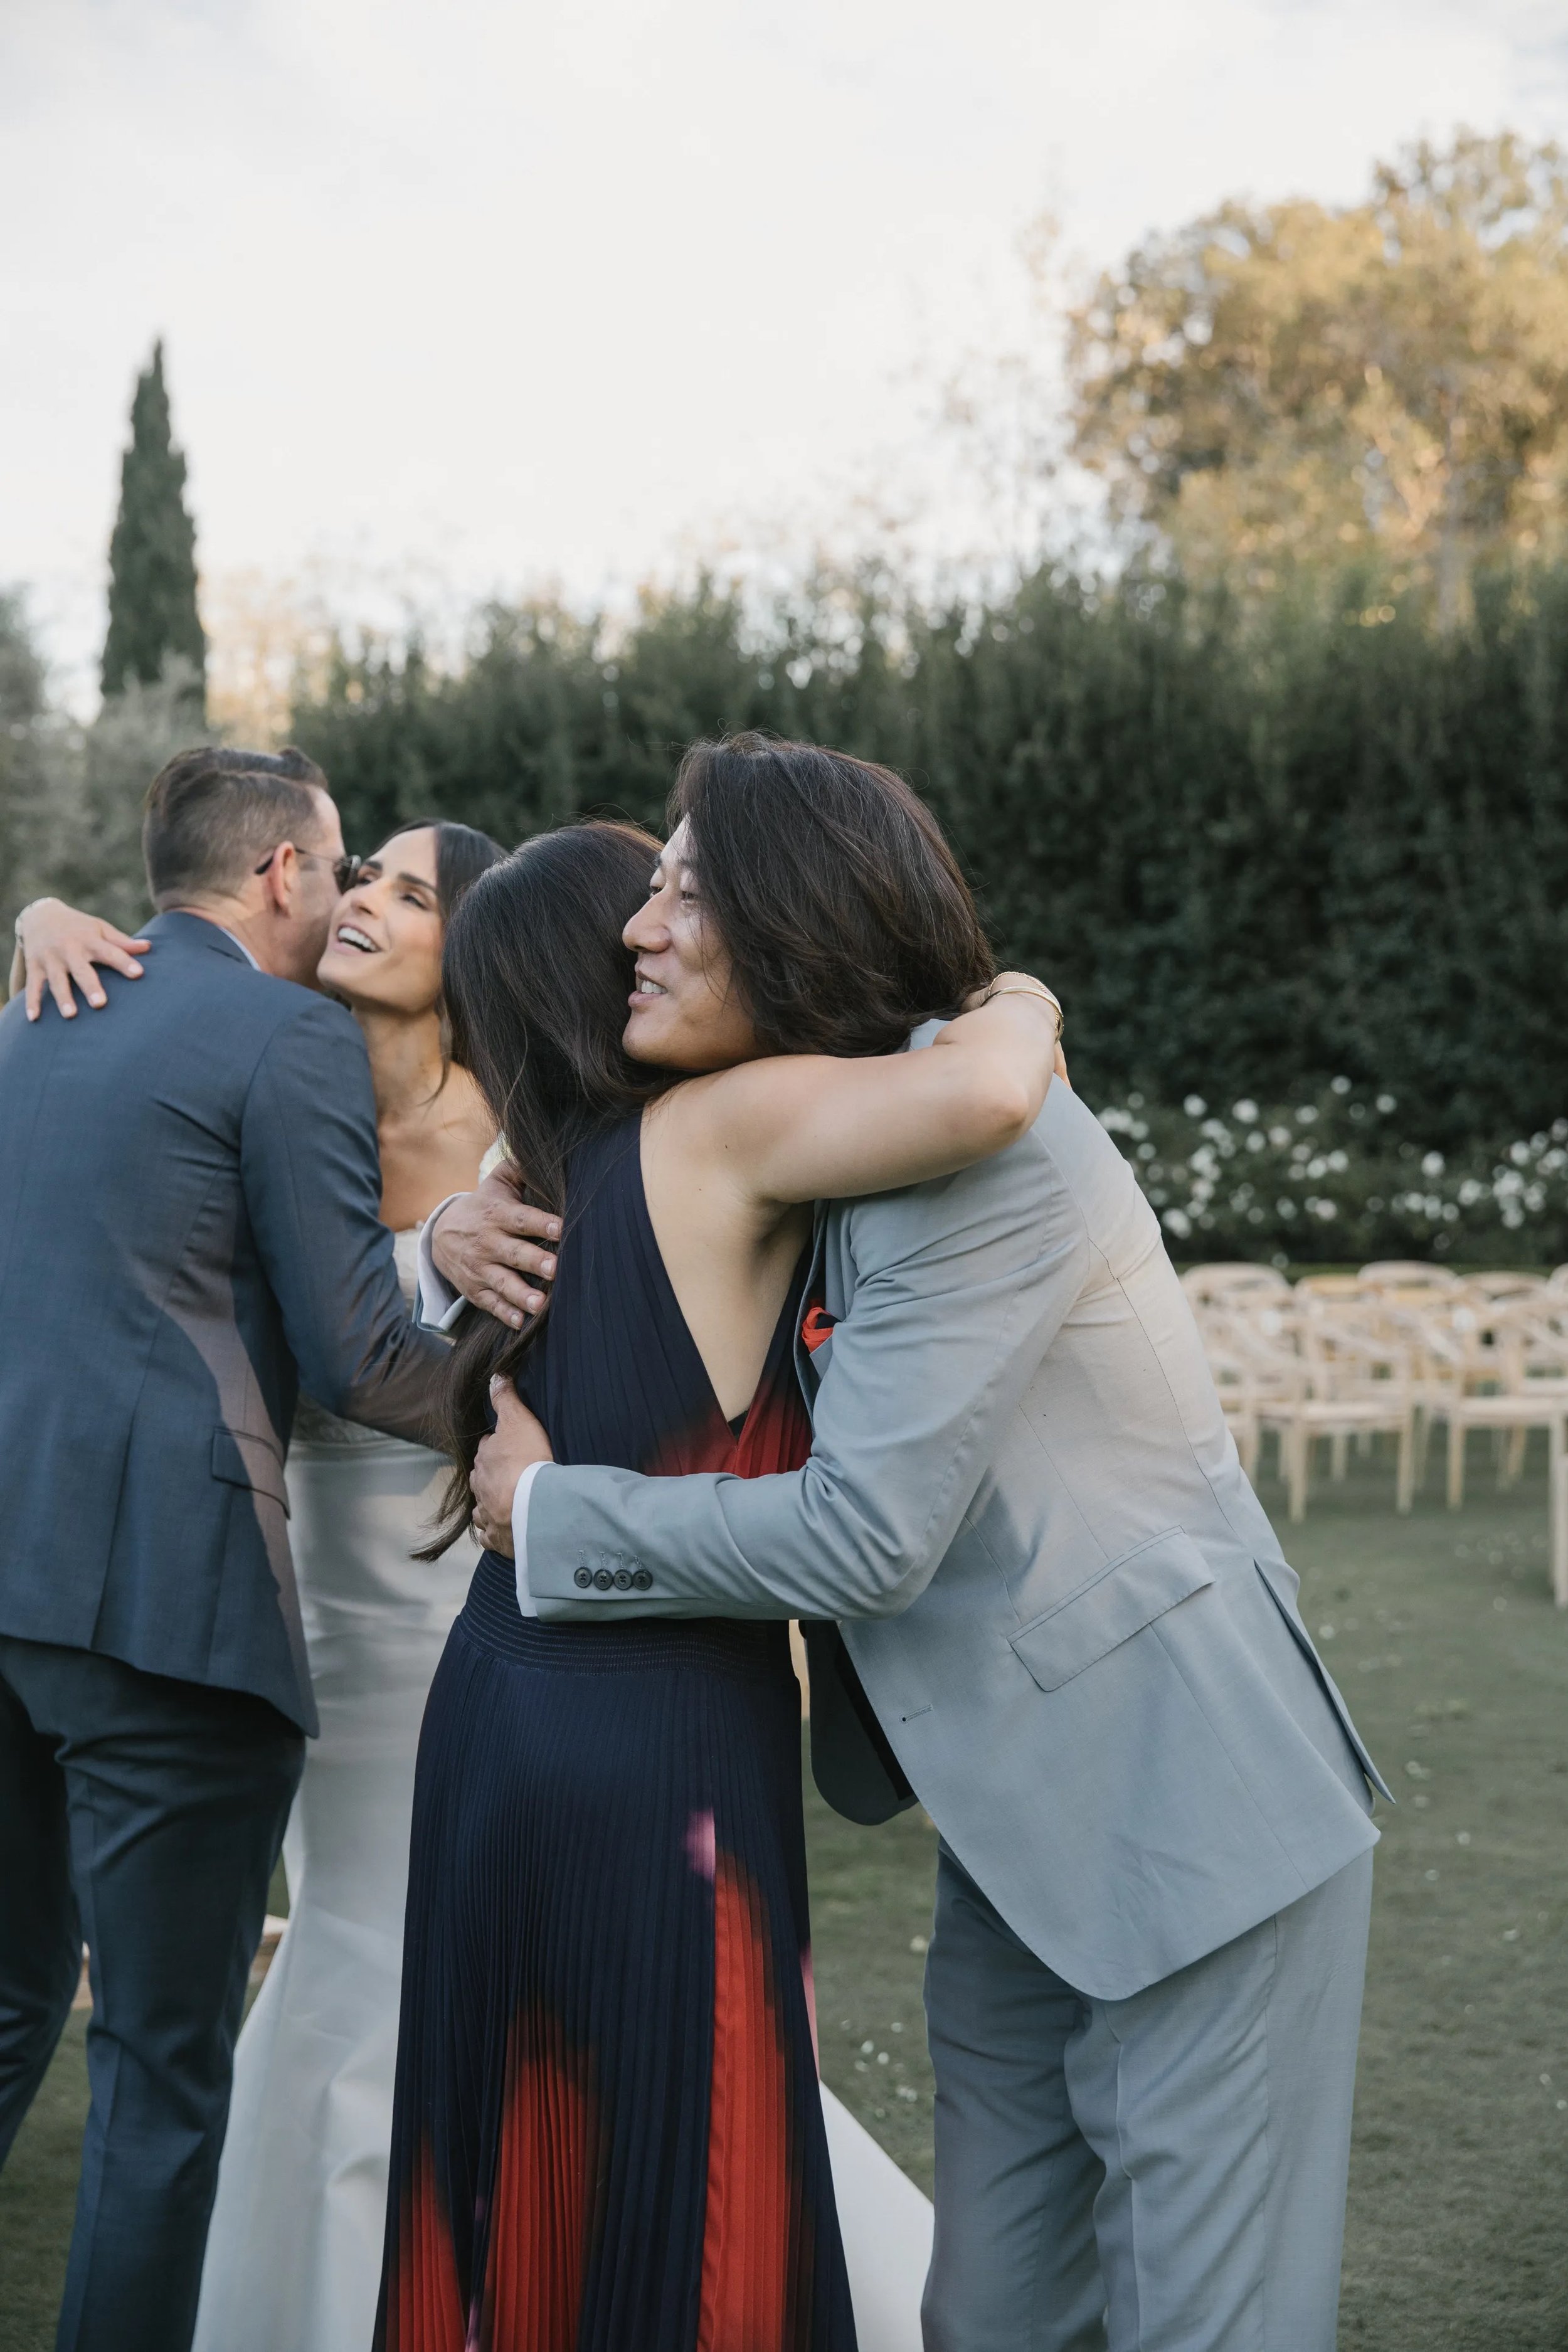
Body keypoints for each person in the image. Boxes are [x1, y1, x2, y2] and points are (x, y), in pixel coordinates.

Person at [441, 732, 1388, 2352]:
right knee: (992, 2310)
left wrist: (550, 1516)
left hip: (1185, 1814)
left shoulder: (984, 1157)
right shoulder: (856, 1130)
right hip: (1011, 1835)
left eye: (680, 889)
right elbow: (593, 1157)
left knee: (1200, 2318)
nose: (635, 927)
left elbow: (862, 1531)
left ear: (795, 910)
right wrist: (455, 1215)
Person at [379, 803, 1064, 2351]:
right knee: (695, 2171)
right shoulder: (724, 1128)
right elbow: (992, 1091)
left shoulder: (526, 1185)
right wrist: (1015, 992)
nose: (660, 938)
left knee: (506, 2155)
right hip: (662, 1727)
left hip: (490, 1707)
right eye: (644, 909)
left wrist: (439, 1230)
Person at [13, 817, 506, 2352]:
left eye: (409, 890)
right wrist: (38, 910)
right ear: (292, 872)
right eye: (360, 870)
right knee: (172, 2055)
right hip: (212, 1590)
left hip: (402, 1596)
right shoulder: (272, 1046)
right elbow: (354, 1351)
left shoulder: (528, 1122)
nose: (363, 897)